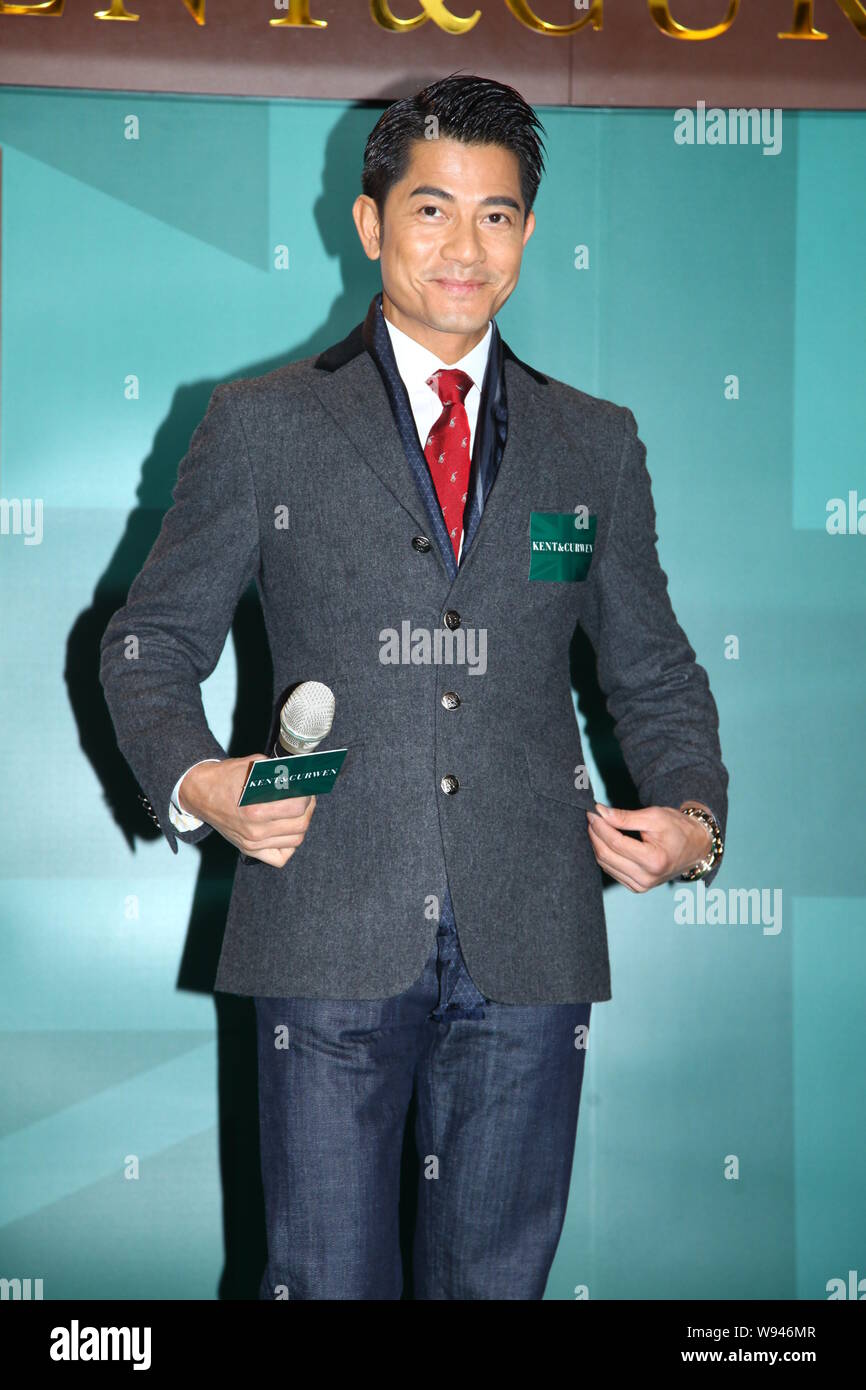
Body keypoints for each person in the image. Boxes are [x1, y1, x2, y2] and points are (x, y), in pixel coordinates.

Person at [100, 73, 728, 1301]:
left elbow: (650, 666)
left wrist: (695, 818)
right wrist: (196, 781)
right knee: (323, 1281)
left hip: (530, 941)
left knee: (495, 1289)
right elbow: (148, 641)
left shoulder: (592, 442)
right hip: (324, 923)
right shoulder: (261, 425)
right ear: (370, 223)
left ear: (528, 236)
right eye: (430, 209)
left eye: (495, 216)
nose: (462, 245)